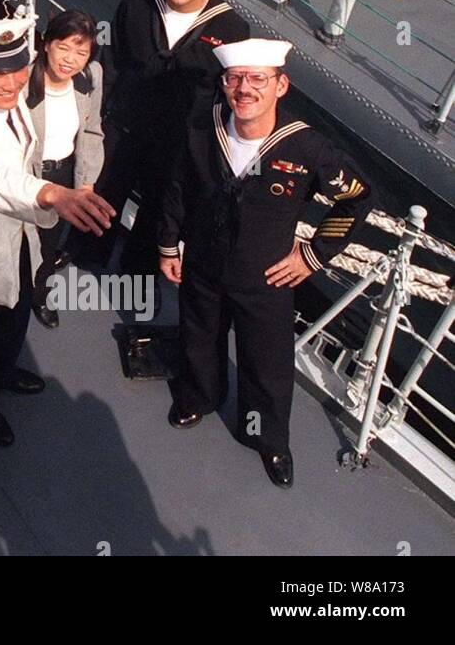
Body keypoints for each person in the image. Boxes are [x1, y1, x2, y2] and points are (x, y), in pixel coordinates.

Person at [157, 39, 372, 488]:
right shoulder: (203, 128)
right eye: (236, 79)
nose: (245, 89)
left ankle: (268, 438)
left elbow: (356, 198)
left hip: (267, 277)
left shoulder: (308, 149)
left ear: (281, 85)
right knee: (198, 337)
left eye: (258, 79)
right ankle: (200, 396)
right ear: (224, 84)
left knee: (267, 364)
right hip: (204, 265)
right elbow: (179, 185)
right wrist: (168, 244)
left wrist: (312, 255)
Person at [0, 19, 116, 446]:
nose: (13, 81)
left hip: (20, 233)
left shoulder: (11, 98)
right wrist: (52, 193)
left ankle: (2, 370)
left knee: (18, 307)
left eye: (19, 68)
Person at [89, 0, 250, 281]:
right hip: (125, 128)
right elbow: (112, 64)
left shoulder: (231, 30)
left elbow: (227, 95)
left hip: (179, 142)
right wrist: (99, 120)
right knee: (103, 196)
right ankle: (87, 260)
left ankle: (136, 278)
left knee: (160, 210)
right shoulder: (136, 4)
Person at [24, 10, 105, 329]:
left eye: (81, 52)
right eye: (64, 47)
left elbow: (91, 131)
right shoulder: (23, 78)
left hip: (63, 174)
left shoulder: (91, 78)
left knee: (47, 242)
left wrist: (85, 184)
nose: (70, 59)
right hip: (25, 172)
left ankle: (39, 293)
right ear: (46, 44)